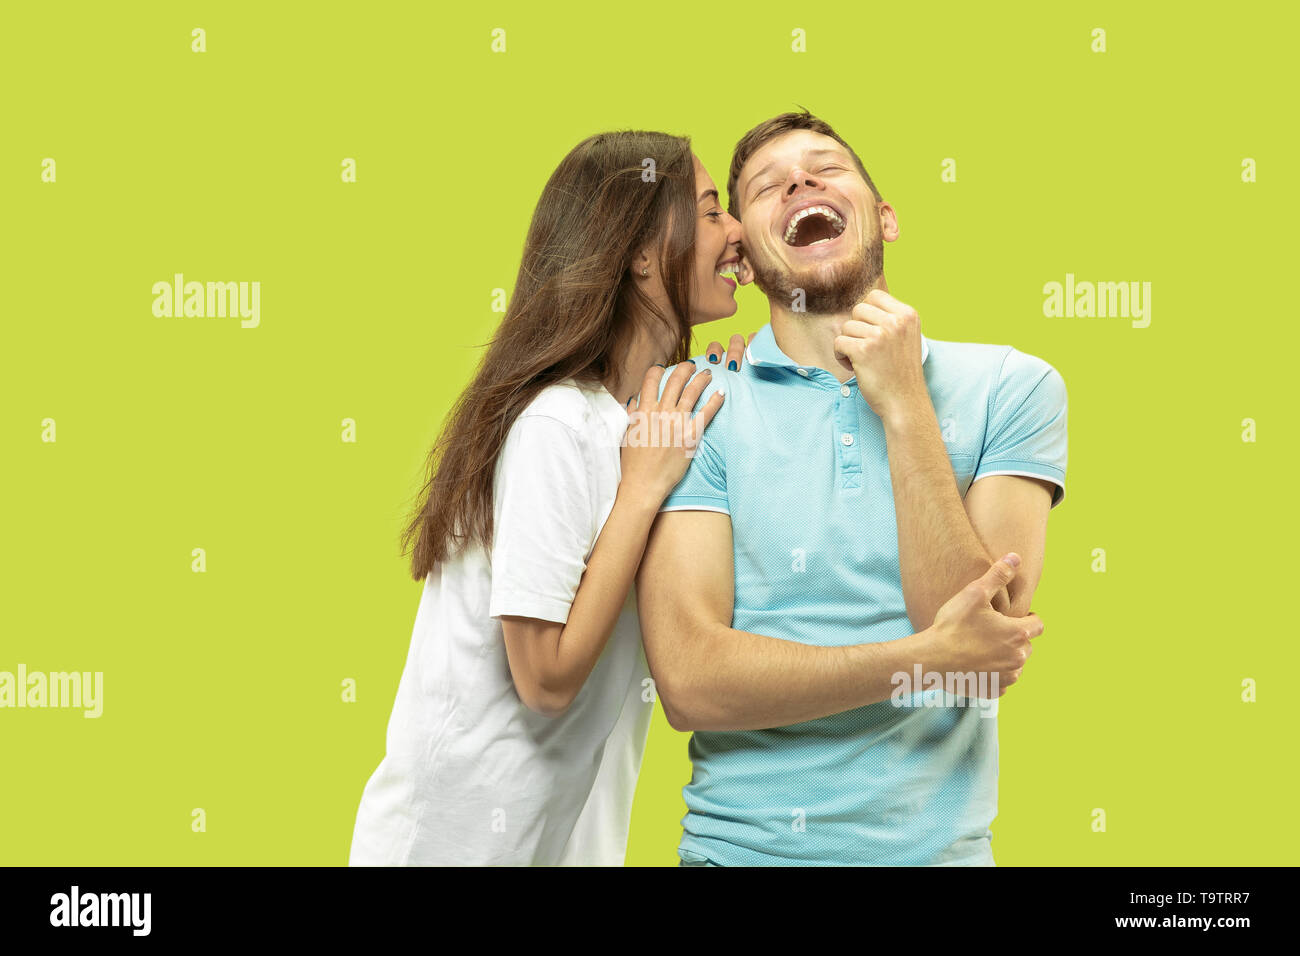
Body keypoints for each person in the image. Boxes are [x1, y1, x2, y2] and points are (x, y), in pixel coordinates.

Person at [636, 110, 1068, 866]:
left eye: (826, 168)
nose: (801, 182)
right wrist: (926, 659)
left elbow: (982, 649)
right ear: (743, 259)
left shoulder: (1013, 386)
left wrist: (904, 402)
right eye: (767, 186)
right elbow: (691, 682)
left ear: (886, 218)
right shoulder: (696, 402)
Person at [348, 130, 754, 865]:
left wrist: (730, 393)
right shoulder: (556, 424)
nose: (737, 232)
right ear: (638, 253)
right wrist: (641, 490)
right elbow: (545, 677)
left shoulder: (641, 423)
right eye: (711, 209)